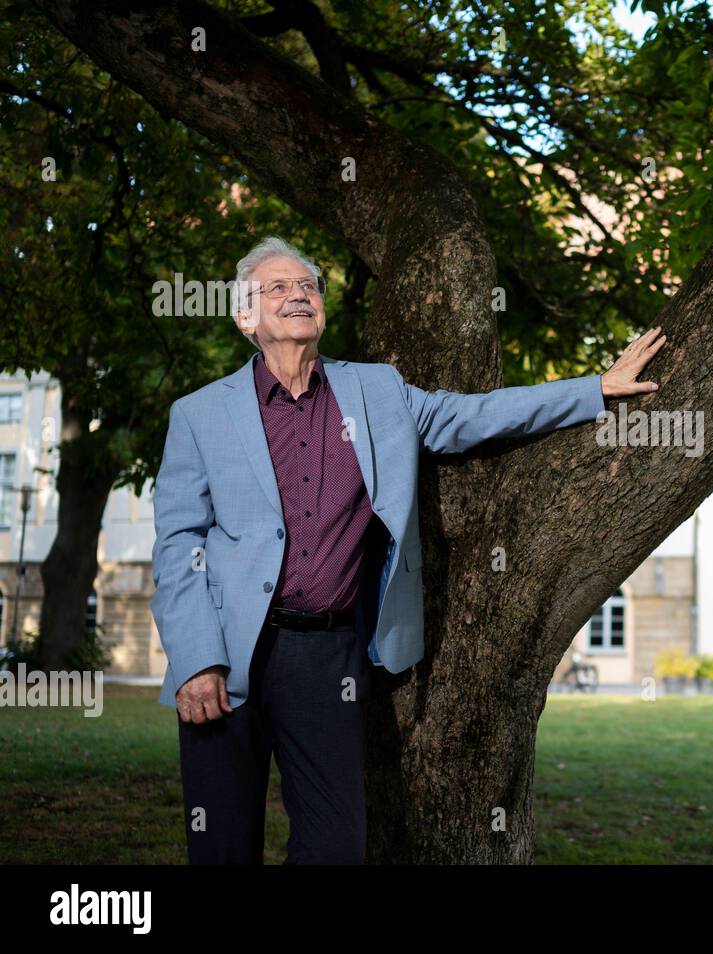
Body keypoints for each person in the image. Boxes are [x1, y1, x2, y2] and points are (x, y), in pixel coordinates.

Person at [151, 235, 665, 863]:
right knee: (221, 847)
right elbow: (179, 545)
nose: (298, 296)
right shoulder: (199, 414)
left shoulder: (377, 392)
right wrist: (197, 658)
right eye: (277, 288)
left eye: (308, 286)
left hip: (328, 655)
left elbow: (473, 416)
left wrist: (594, 390)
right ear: (245, 316)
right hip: (224, 657)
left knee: (337, 846)